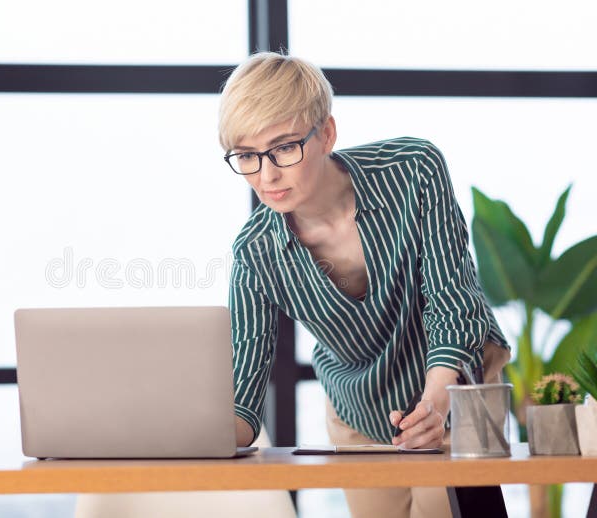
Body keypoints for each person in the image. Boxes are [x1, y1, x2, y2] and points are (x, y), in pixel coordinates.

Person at [219, 52, 511, 518]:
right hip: (359, 413)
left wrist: (435, 404)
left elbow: (454, 302)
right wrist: (168, 434)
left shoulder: (413, 170)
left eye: (284, 149)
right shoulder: (255, 253)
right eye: (247, 156)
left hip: (457, 390)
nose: (266, 175)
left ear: (326, 134)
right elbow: (244, 396)